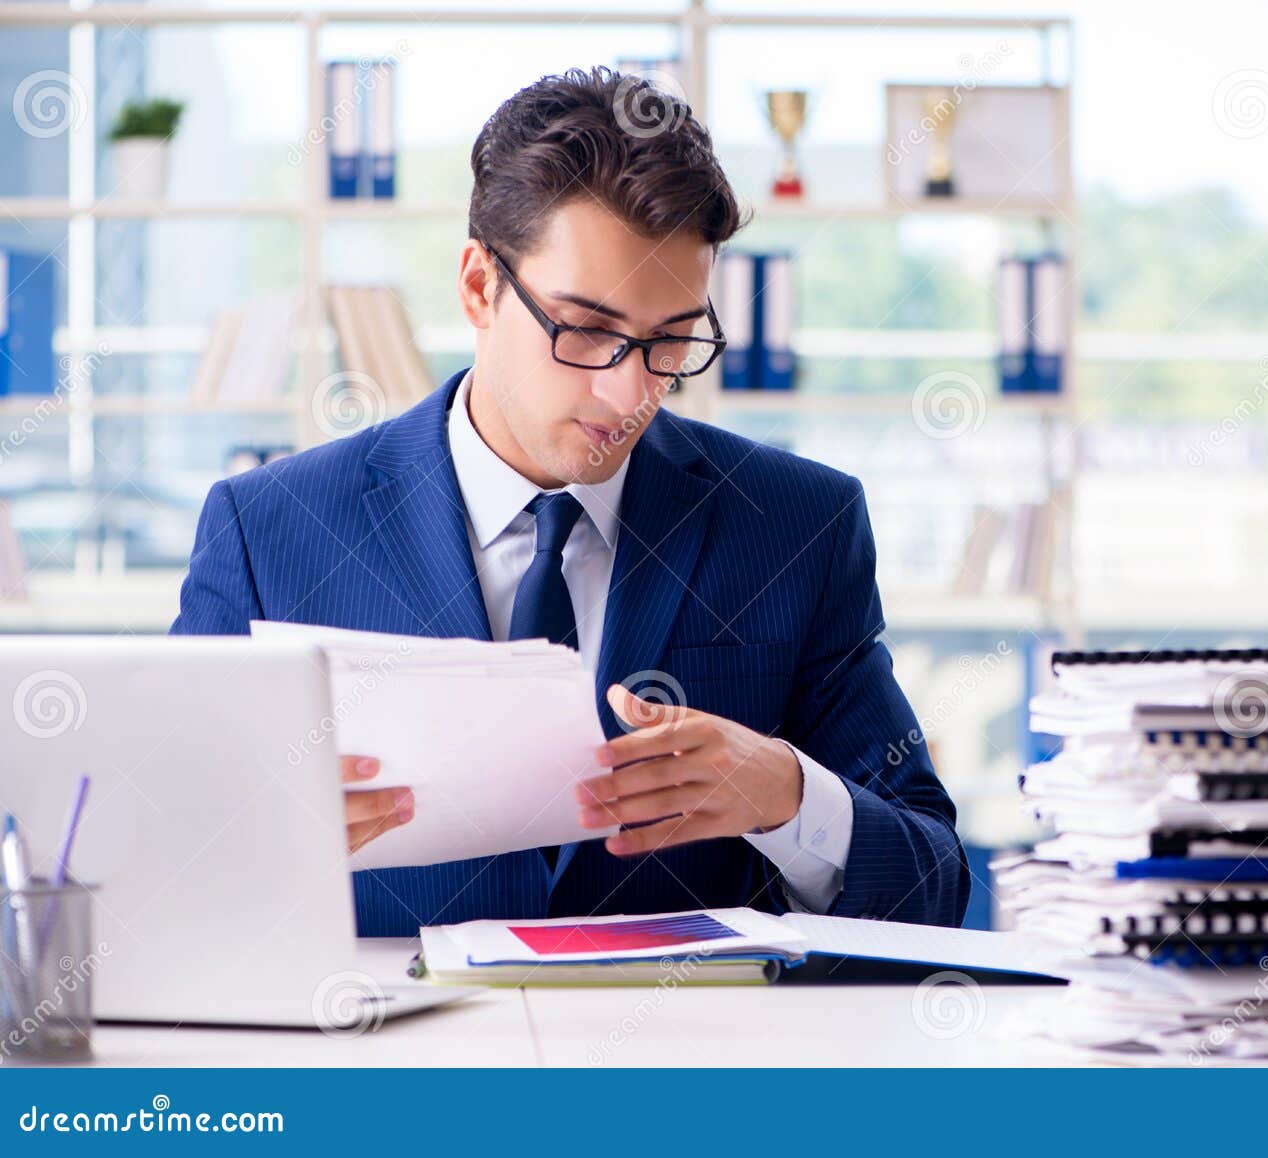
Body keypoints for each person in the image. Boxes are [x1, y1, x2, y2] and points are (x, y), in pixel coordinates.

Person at [171, 66, 969, 936]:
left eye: (671, 342)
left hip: (690, 1062)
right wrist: (257, 833)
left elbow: (931, 884)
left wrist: (788, 794)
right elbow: (147, 865)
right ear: (479, 286)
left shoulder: (794, 525)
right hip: (388, 1060)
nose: (631, 394)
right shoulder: (270, 529)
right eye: (586, 330)